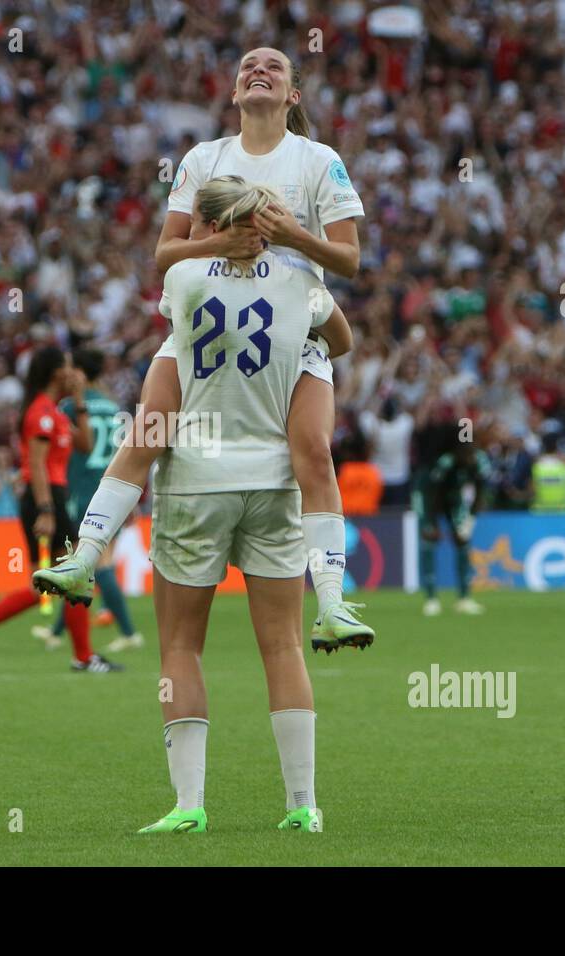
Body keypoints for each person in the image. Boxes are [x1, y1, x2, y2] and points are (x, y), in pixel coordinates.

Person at [39, 46, 373, 649]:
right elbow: (165, 254)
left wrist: (292, 235)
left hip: (291, 336)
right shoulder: (203, 159)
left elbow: (349, 259)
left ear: (292, 95)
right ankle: (83, 557)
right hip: (207, 324)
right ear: (235, 91)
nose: (258, 71)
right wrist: (221, 248)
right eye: (248, 67)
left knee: (314, 453)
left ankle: (331, 603)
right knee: (146, 432)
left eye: (273, 66)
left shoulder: (319, 161)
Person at [96, 176, 347, 834]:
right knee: (284, 649)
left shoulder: (184, 283)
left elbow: (170, 267)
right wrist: (294, 247)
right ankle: (304, 806)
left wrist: (195, 247)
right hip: (273, 479)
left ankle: (188, 805)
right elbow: (339, 337)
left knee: (181, 646)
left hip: (196, 483)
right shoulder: (297, 279)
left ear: (203, 226)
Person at [0, 347, 122, 673]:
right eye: (69, 367)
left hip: (51, 497)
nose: (75, 372)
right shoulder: (40, 413)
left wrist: (80, 399)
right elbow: (36, 464)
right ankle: (81, 656)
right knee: (59, 582)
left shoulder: (56, 412)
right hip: (43, 498)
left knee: (69, 579)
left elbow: (84, 445)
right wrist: (46, 509)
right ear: (55, 372)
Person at [33, 347, 145, 654]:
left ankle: (129, 631)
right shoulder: (113, 408)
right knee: (83, 566)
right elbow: (126, 455)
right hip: (116, 491)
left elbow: (65, 447)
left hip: (83, 492)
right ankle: (58, 632)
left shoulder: (70, 407)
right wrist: (132, 499)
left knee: (96, 563)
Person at [416, 439, 493, 617]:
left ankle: (464, 599)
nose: (469, 457)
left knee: (463, 543)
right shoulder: (445, 464)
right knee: (428, 542)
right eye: (465, 453)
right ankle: (431, 599)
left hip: (455, 500)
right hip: (430, 498)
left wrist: (468, 523)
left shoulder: (479, 462)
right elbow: (433, 494)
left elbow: (480, 493)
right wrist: (432, 524)